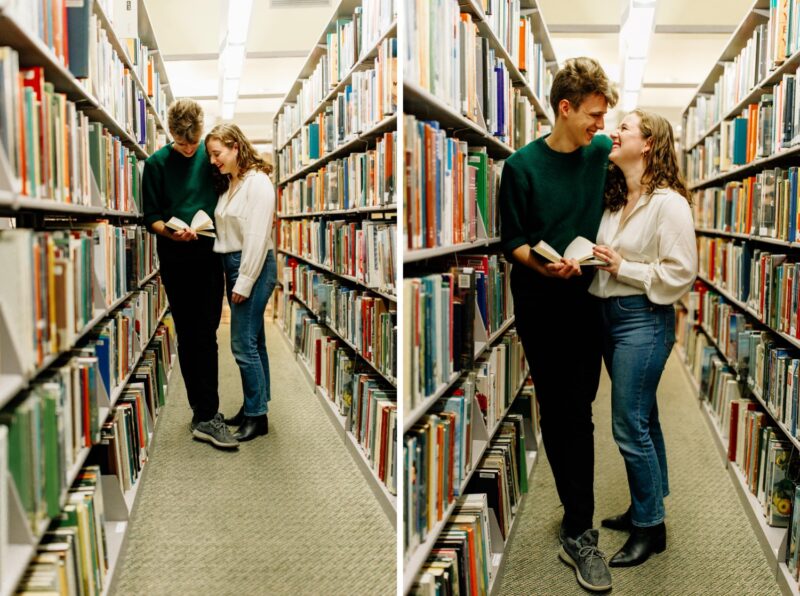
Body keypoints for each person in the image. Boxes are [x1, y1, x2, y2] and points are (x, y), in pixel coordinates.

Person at [499, 57, 617, 592]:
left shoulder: (599, 152)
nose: (601, 124)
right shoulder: (521, 168)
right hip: (542, 303)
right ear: (564, 109)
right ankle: (579, 529)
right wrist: (542, 263)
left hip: (587, 298)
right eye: (593, 114)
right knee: (564, 411)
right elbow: (513, 241)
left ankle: (575, 511)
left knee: (581, 409)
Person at [590, 110, 697, 567]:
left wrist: (622, 267)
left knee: (628, 426)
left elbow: (680, 274)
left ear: (649, 143)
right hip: (607, 317)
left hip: (643, 321)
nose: (613, 133)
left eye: (625, 129)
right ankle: (645, 507)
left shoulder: (669, 203)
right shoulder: (614, 198)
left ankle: (650, 528)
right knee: (644, 419)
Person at [142, 99, 238, 449]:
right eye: (182, 144)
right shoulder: (155, 164)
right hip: (175, 256)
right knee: (188, 333)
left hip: (209, 253)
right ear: (170, 135)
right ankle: (205, 413)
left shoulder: (208, 157)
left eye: (193, 143)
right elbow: (150, 215)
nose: (189, 149)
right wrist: (171, 232)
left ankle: (205, 413)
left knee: (208, 332)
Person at [205, 124, 277, 442]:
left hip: (253, 265)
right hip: (232, 263)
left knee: (242, 344)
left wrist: (244, 281)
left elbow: (258, 237)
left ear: (235, 147)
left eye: (217, 153)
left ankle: (257, 417)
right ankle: (254, 406)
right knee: (254, 341)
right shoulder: (231, 183)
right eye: (210, 155)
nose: (212, 160)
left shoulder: (258, 183)